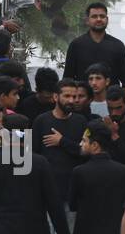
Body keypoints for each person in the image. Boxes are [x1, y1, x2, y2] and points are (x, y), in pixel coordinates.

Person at [69, 120, 125, 234]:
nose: (80, 144)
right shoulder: (123, 171)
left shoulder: (79, 172)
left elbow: (73, 205)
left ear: (95, 145)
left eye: (84, 141)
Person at [31, 78, 89, 207]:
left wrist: (62, 141)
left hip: (73, 191)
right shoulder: (41, 121)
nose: (71, 100)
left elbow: (85, 151)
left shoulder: (81, 121)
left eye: (74, 96)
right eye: (67, 96)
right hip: (47, 190)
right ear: (56, 97)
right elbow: (32, 155)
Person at [63, 2, 125, 87]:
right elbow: (67, 79)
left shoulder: (118, 46)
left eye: (102, 16)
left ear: (107, 19)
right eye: (94, 16)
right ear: (87, 20)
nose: (99, 19)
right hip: (83, 99)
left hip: (111, 99)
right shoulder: (76, 45)